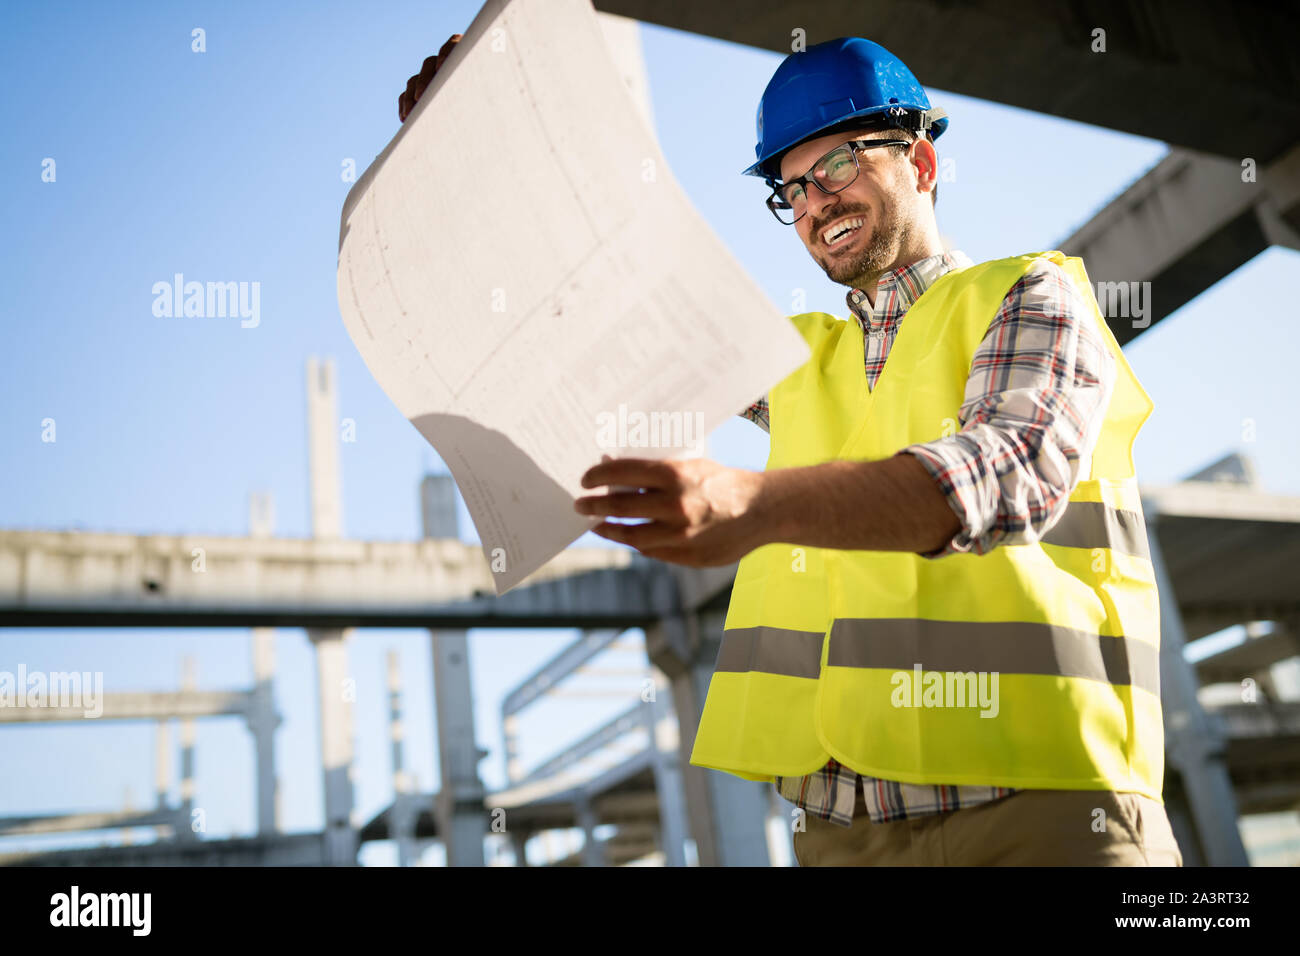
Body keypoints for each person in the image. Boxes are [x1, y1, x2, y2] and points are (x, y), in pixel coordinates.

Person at [399, 33, 1181, 867]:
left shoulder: (1026, 294)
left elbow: (1012, 471)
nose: (813, 203)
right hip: (844, 836)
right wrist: (482, 158)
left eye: (838, 165)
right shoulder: (799, 359)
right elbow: (612, 308)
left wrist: (752, 505)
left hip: (1037, 814)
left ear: (919, 162)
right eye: (792, 188)